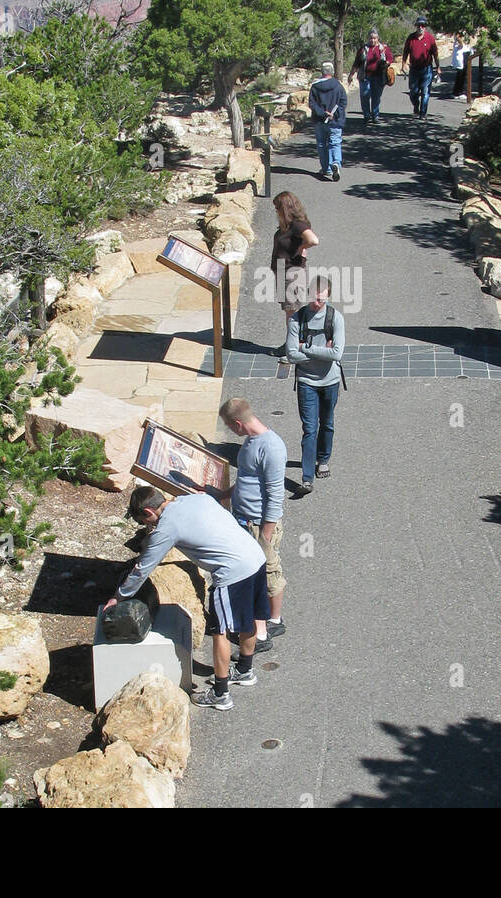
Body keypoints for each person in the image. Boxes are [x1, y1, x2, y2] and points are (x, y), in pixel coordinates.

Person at [106, 485, 269, 711]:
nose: (149, 527)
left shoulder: (167, 527)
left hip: (232, 572)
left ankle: (221, 694)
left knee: (220, 630)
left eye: (146, 523)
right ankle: (244, 670)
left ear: (148, 513)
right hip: (255, 557)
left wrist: (119, 596)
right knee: (248, 618)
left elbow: (143, 568)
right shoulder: (193, 499)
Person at [217, 397, 289, 643]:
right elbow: (248, 480)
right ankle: (264, 618)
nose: (230, 431)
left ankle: (273, 621)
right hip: (246, 520)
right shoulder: (251, 441)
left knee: (269, 571)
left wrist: (266, 534)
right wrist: (222, 494)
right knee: (254, 572)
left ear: (238, 423)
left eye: (228, 426)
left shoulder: (271, 447)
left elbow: (275, 493)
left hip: (260, 523)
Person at [286, 273, 345, 494]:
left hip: (331, 381)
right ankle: (307, 477)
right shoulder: (296, 319)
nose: (317, 303)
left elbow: (337, 353)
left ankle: (323, 459)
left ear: (328, 298)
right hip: (306, 381)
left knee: (327, 423)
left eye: (322, 299)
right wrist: (324, 352)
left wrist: (306, 348)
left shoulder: (336, 318)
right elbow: (291, 355)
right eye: (314, 298)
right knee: (310, 429)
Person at [269, 191, 319, 357]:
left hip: (292, 273)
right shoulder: (288, 225)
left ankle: (294, 346)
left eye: (278, 208)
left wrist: (301, 248)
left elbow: (313, 240)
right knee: (290, 311)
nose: (276, 212)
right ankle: (293, 343)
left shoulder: (297, 224)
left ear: (285, 208)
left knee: (293, 312)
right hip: (284, 272)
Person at [308, 61, 347, 181]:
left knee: (321, 144)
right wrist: (333, 114)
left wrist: (322, 113)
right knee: (334, 142)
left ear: (322, 72)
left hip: (319, 121)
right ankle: (335, 162)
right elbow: (343, 102)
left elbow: (312, 104)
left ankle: (326, 169)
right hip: (335, 121)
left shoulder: (315, 87)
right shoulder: (338, 86)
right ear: (332, 72)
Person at [348, 28, 393, 126]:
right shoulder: (363, 49)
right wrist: (351, 74)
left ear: (378, 38)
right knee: (364, 96)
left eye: (375, 38)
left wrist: (386, 63)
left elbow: (390, 58)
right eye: (371, 38)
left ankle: (375, 115)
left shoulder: (383, 48)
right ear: (368, 38)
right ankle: (366, 116)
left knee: (376, 97)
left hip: (378, 77)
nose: (372, 40)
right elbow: (357, 62)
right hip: (365, 76)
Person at [401, 17, 440, 119]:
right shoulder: (411, 38)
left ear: (425, 27)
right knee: (413, 91)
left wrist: (438, 67)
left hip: (426, 69)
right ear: (416, 26)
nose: (421, 28)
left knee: (425, 91)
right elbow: (405, 52)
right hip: (414, 69)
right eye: (419, 26)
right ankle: (416, 105)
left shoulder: (430, 38)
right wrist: (403, 64)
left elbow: (435, 54)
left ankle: (423, 113)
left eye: (423, 26)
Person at [451, 34, 469, 101]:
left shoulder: (458, 43)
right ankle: (458, 92)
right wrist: (461, 41)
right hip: (461, 61)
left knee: (460, 77)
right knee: (460, 77)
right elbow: (458, 39)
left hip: (462, 59)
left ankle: (456, 92)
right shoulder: (459, 43)